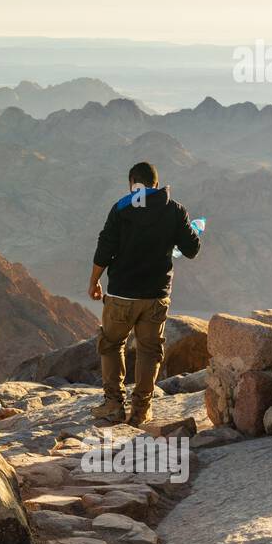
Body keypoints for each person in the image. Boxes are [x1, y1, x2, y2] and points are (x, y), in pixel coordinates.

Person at [87, 161, 201, 427]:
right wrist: (193, 230)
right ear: (156, 184)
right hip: (155, 296)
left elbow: (104, 249)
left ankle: (113, 405)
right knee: (149, 350)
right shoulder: (175, 210)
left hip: (121, 295)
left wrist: (94, 282)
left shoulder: (121, 209)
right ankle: (141, 410)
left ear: (132, 184)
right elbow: (192, 250)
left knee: (112, 344)